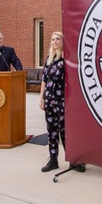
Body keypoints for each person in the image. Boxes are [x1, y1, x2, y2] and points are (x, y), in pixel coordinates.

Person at [39, 31, 65, 172]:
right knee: (51, 130)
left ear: (62, 41)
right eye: (53, 39)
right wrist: (41, 97)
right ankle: (53, 159)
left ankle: (73, 161)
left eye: (58, 39)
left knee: (65, 131)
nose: (55, 42)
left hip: (61, 99)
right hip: (49, 99)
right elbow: (44, 79)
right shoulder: (49, 58)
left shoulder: (65, 58)